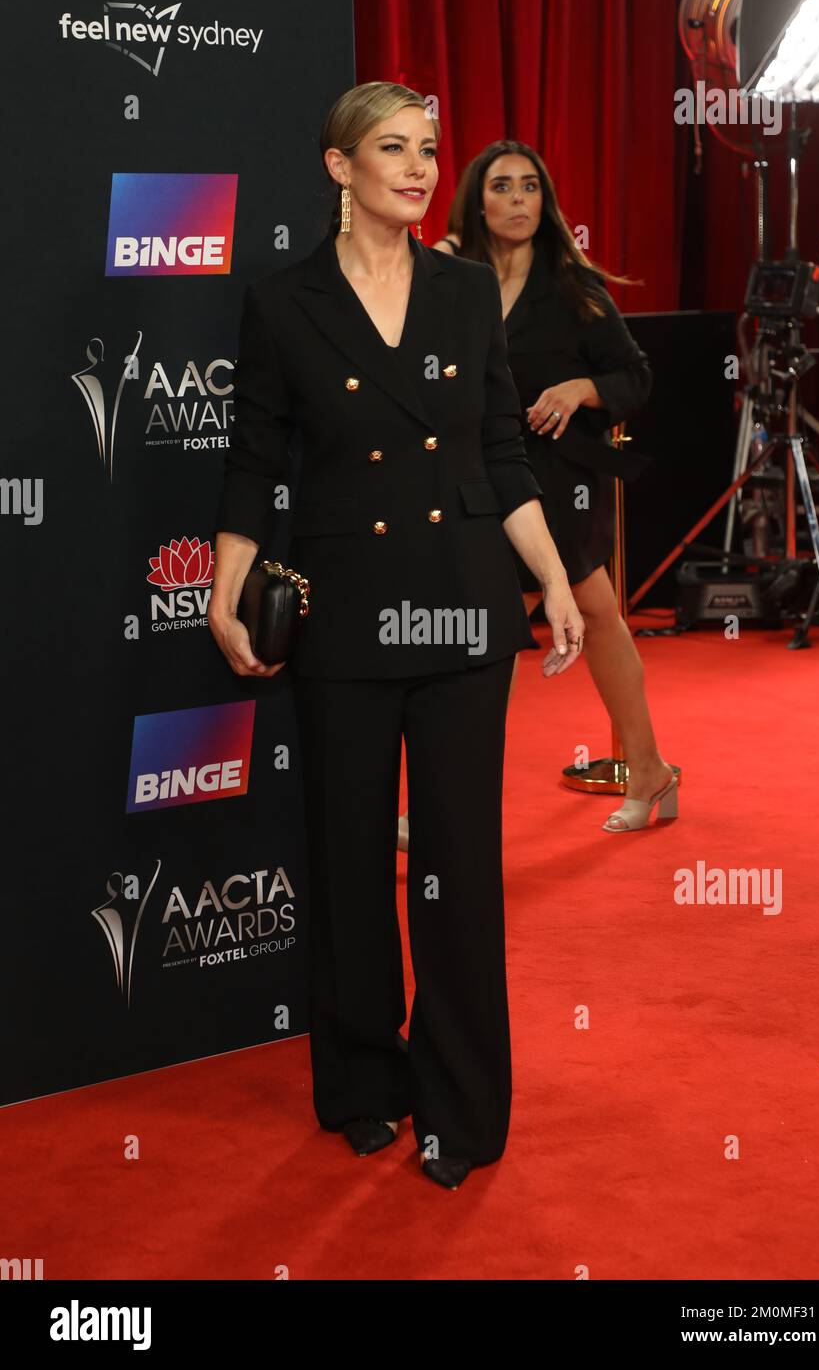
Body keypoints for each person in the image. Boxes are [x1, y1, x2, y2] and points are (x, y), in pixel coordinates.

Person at [208, 83, 584, 1190]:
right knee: (349, 853)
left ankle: (460, 1105)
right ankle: (365, 1080)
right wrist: (226, 587)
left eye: (428, 150)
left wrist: (553, 578)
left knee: (459, 868)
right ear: (339, 167)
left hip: (464, 605)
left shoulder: (468, 294)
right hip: (345, 607)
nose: (419, 169)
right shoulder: (284, 304)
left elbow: (502, 453)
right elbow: (253, 454)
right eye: (392, 149)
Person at [425, 141, 677, 833]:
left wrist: (581, 386)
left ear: (546, 200)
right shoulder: (451, 276)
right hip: (479, 474)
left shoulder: (572, 284)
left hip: (562, 477)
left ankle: (648, 767)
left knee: (594, 611)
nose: (517, 200)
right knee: (482, 632)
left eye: (530, 187)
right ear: (478, 199)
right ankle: (452, 800)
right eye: (502, 187)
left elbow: (636, 377)